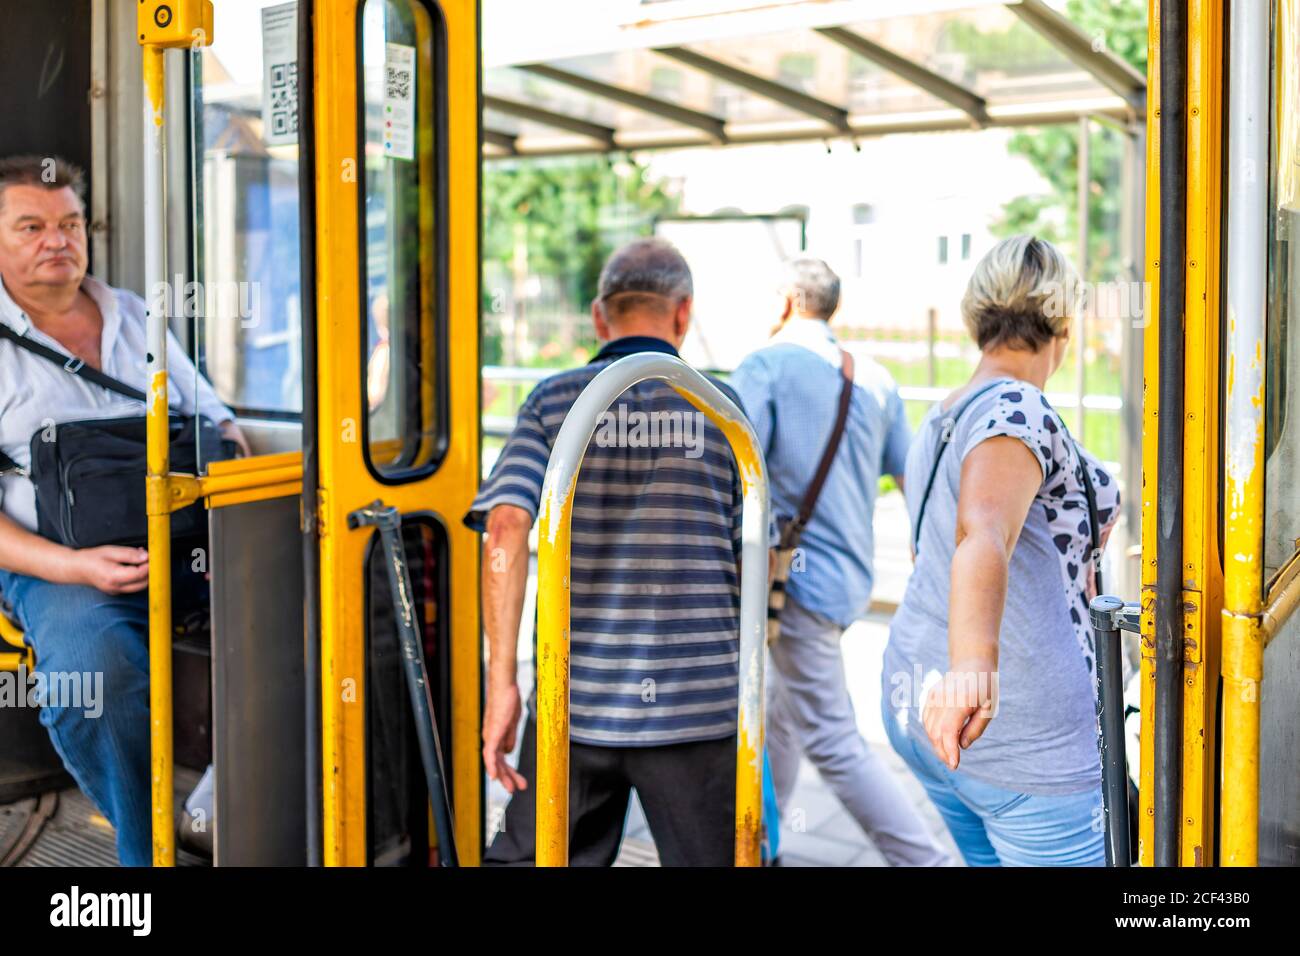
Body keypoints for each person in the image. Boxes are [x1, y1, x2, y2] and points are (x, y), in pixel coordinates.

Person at [467, 237, 752, 866]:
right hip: (695, 711)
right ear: (683, 313)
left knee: (536, 856)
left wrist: (501, 686)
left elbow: (507, 527)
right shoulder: (725, 410)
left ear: (601, 317)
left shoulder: (551, 401)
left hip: (576, 703)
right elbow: (757, 557)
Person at [0, 155, 248, 865]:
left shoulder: (134, 313)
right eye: (31, 226)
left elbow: (217, 418)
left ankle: (269, 820)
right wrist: (75, 565)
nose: (58, 240)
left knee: (316, 616)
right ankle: (149, 852)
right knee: (94, 673)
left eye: (70, 223)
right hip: (55, 566)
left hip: (188, 542)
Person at [881, 235, 1119, 867]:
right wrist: (973, 671)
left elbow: (933, 548)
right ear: (1063, 323)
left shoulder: (941, 415)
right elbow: (981, 534)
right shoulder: (1020, 406)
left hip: (922, 708)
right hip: (1021, 741)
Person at [731, 257, 950, 866]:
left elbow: (729, 469)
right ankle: (762, 842)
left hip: (790, 588)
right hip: (847, 581)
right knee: (784, 712)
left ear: (783, 304)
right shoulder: (874, 378)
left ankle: (923, 860)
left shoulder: (763, 367)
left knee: (831, 737)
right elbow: (911, 476)